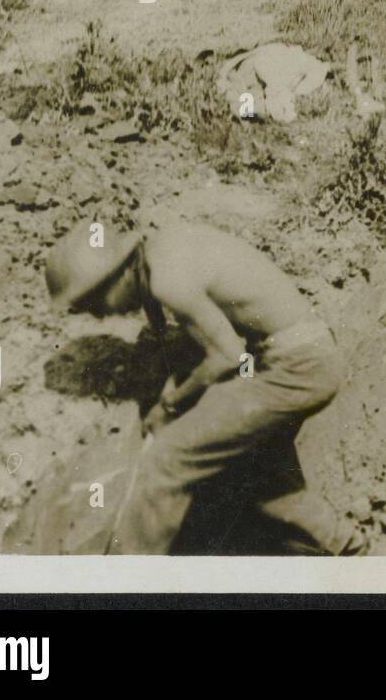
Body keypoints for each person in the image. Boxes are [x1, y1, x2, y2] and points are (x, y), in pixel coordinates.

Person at [44, 219, 354, 555]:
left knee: (167, 460)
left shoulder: (167, 278)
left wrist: (170, 406)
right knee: (254, 466)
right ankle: (346, 547)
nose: (102, 315)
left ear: (119, 274)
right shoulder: (161, 253)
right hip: (295, 357)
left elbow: (227, 356)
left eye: (97, 302)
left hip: (298, 366)